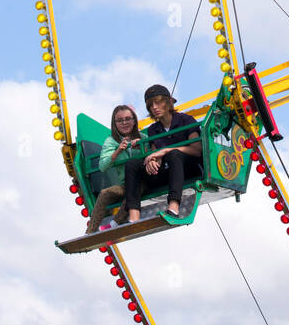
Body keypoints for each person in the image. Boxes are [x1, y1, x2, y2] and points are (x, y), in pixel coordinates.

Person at [123, 84, 203, 222]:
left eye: (158, 102)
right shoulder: (154, 129)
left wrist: (167, 150)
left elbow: (197, 150)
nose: (154, 107)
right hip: (167, 171)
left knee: (174, 154)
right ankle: (134, 216)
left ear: (168, 102)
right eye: (150, 105)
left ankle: (173, 207)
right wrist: (152, 161)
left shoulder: (185, 120)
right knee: (132, 164)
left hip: (189, 168)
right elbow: (156, 154)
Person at [85, 105, 144, 234]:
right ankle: (90, 232)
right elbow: (102, 166)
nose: (124, 123)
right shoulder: (111, 142)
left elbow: (155, 155)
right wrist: (117, 152)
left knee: (134, 188)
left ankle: (116, 223)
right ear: (114, 123)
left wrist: (142, 147)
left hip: (144, 180)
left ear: (134, 121)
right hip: (125, 184)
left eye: (128, 119)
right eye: (120, 120)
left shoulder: (144, 138)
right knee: (106, 193)